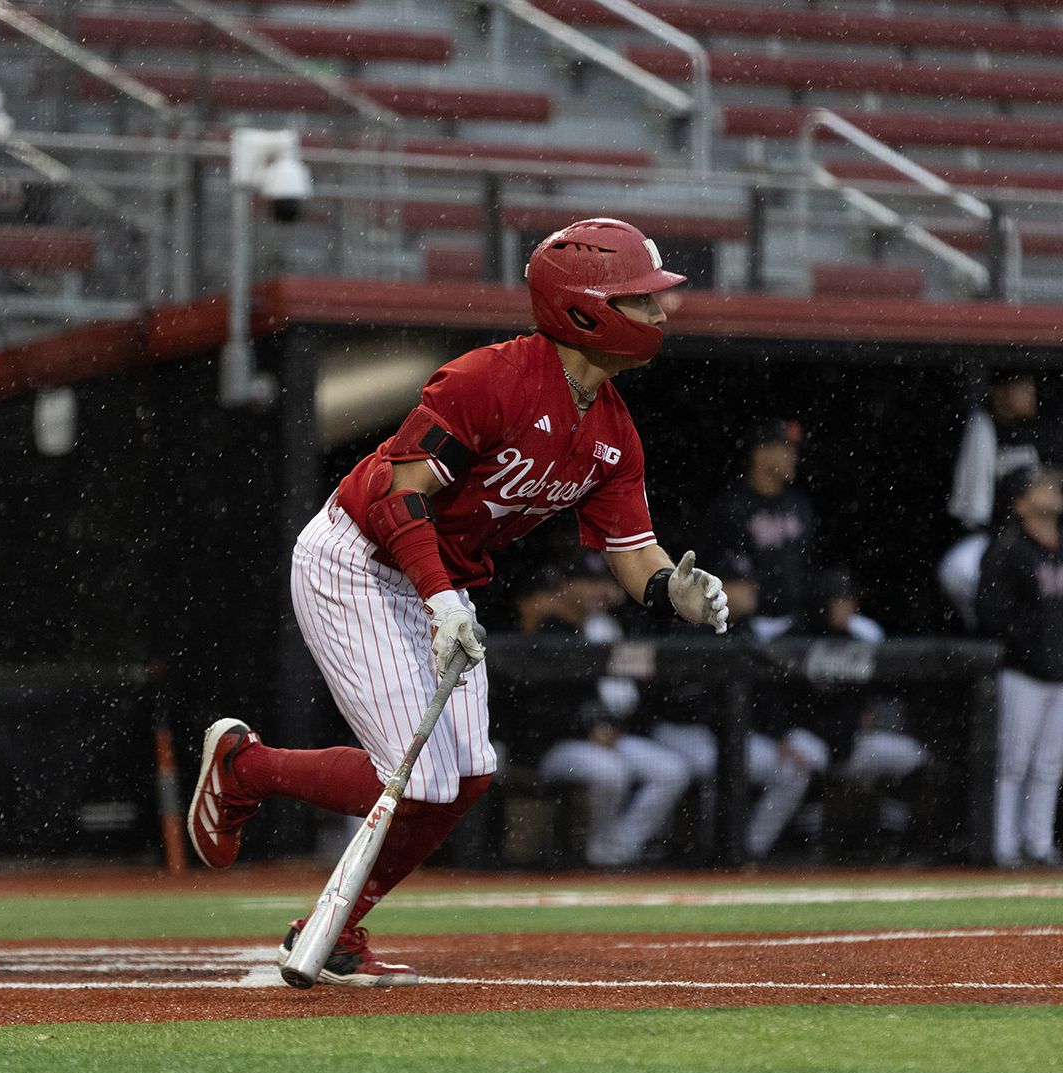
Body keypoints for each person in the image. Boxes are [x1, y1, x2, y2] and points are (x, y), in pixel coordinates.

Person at [184, 219, 730, 986]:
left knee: (466, 778)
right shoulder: (487, 379)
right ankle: (245, 766)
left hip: (442, 584)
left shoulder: (613, 428)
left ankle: (333, 931)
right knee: (420, 778)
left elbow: (632, 550)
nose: (660, 311)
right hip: (361, 560)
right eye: (640, 299)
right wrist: (441, 601)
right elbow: (396, 498)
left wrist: (675, 588)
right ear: (583, 310)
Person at [520, 553, 694, 869]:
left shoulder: (606, 626)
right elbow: (538, 708)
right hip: (557, 743)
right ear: (565, 586)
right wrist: (585, 730)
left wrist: (610, 730)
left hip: (608, 737)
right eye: (587, 583)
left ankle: (617, 848)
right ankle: (598, 849)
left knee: (672, 771)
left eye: (601, 583)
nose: (597, 591)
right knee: (610, 772)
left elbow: (633, 690)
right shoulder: (549, 630)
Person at [742, 570, 926, 863]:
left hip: (846, 743)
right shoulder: (790, 640)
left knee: (911, 756)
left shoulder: (855, 641)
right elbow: (766, 701)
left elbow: (867, 699)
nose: (850, 608)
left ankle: (890, 842)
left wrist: (855, 724)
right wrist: (782, 733)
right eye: (842, 601)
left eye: (850, 600)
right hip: (800, 739)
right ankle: (807, 844)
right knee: (810, 756)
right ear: (823, 602)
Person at [976, 467, 1063, 869]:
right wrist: (1030, 648)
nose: (1053, 490)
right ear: (1020, 504)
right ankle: (1004, 846)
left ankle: (1038, 844)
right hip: (1022, 671)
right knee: (1013, 763)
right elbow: (991, 614)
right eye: (1041, 487)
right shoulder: (1007, 549)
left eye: (1054, 485)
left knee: (1049, 765)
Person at [939, 369, 1063, 627]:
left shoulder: (1044, 431)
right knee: (958, 569)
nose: (1031, 393)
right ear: (1000, 392)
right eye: (1022, 387)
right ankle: (986, 633)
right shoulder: (982, 427)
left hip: (1035, 537)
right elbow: (971, 509)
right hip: (995, 535)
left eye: (1031, 386)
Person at [706, 420, 814, 640]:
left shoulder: (800, 504)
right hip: (743, 627)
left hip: (799, 622)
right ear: (760, 453)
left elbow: (811, 566)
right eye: (785, 448)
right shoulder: (731, 507)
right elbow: (714, 569)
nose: (793, 456)